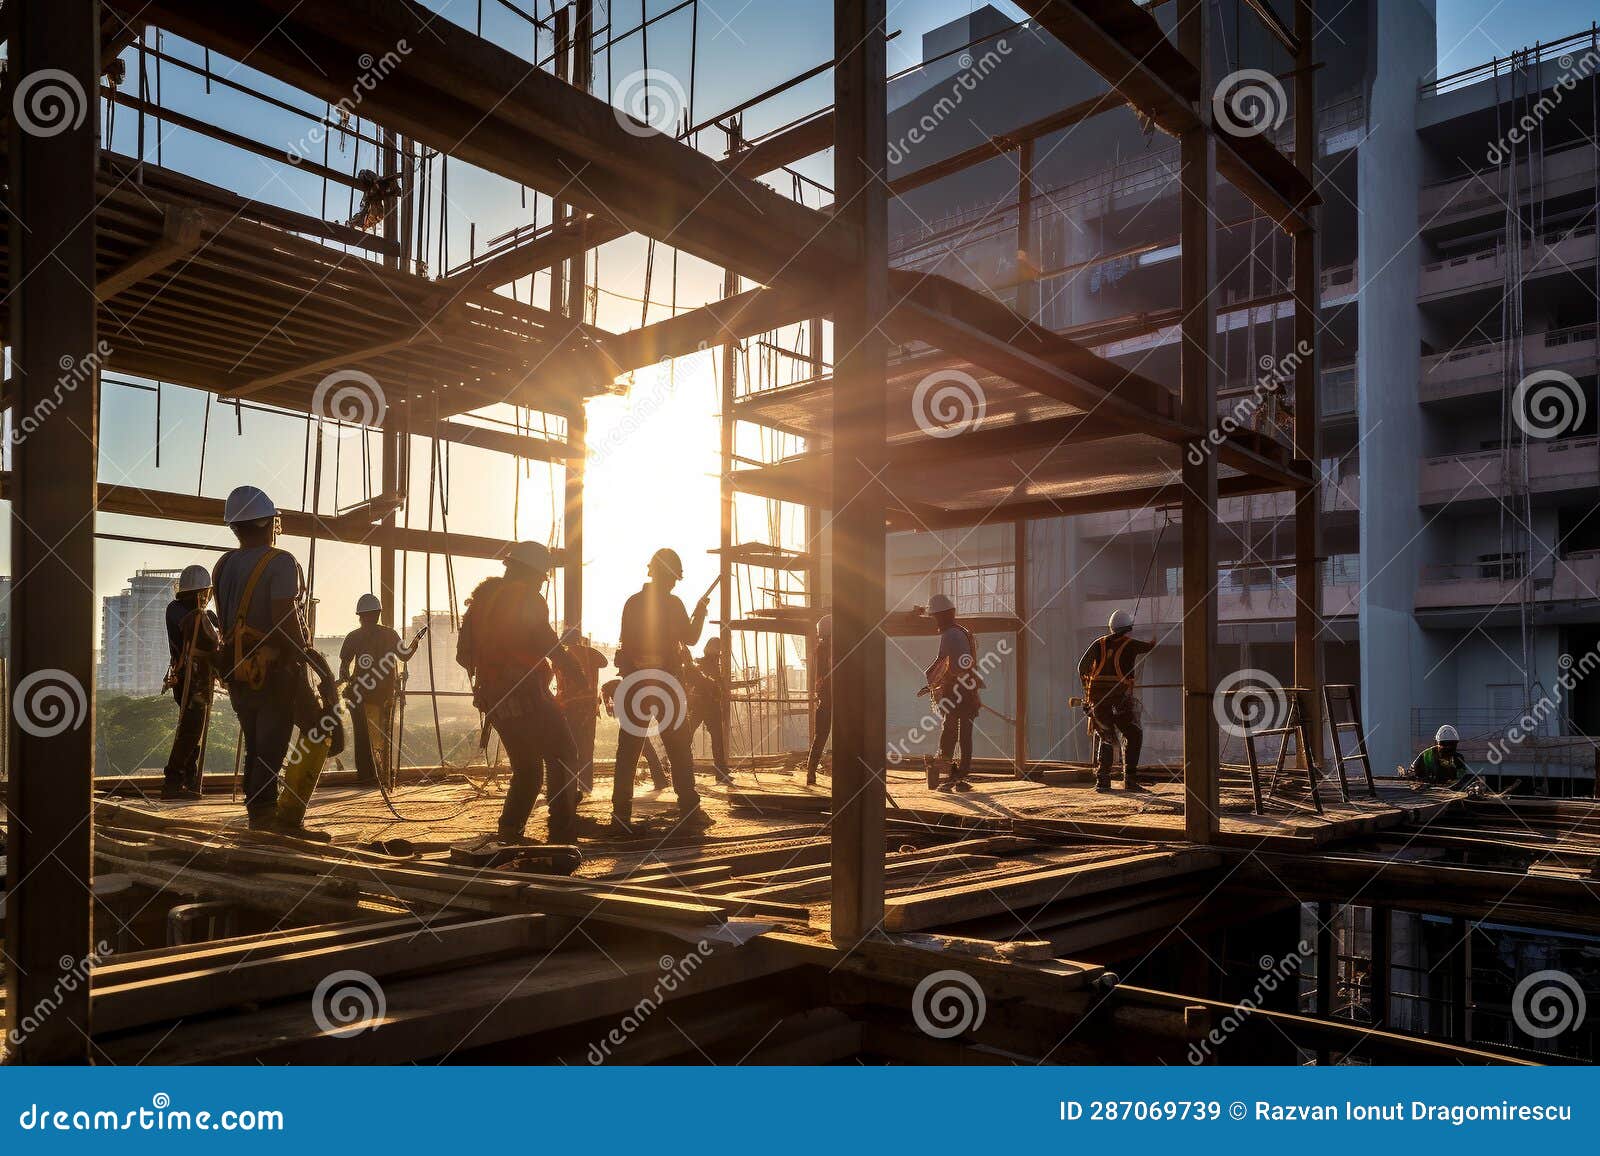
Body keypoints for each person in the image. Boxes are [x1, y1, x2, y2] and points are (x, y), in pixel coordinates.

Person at [457, 541, 579, 846]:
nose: (541, 583)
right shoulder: (528, 599)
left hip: (493, 698)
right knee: (564, 753)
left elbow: (463, 656)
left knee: (527, 769)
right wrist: (574, 669)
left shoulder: (478, 605)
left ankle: (510, 831)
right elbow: (547, 642)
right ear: (531, 573)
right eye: (541, 577)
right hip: (526, 693)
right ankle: (562, 830)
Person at [211, 485, 315, 831]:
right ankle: (266, 815)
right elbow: (285, 616)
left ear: (235, 527)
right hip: (272, 669)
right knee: (272, 743)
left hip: (236, 668)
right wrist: (305, 657)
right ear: (271, 523)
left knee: (256, 742)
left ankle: (258, 811)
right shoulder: (281, 561)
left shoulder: (223, 565)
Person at [610, 547, 714, 833]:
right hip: (666, 682)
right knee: (679, 748)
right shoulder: (673, 604)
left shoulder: (633, 603)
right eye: (673, 578)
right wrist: (700, 614)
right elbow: (691, 638)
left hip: (635, 683)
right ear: (669, 576)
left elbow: (627, 645)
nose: (672, 583)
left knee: (627, 751)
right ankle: (690, 809)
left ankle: (620, 815)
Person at [338, 593, 421, 790]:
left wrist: (347, 680)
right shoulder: (389, 634)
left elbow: (343, 667)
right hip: (383, 694)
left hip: (359, 694)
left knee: (362, 737)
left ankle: (367, 778)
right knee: (384, 736)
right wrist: (416, 640)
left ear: (360, 615)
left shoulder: (354, 636)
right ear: (377, 614)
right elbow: (406, 655)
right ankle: (383, 775)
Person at [161, 564, 221, 800]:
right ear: (199, 593)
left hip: (203, 679)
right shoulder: (175, 610)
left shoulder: (208, 614)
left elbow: (218, 634)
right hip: (186, 678)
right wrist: (203, 615)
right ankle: (173, 781)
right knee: (189, 731)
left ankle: (189, 778)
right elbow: (196, 629)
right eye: (205, 593)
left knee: (194, 730)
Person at [1079, 609, 1155, 793]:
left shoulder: (1098, 644)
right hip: (1119, 701)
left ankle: (1102, 781)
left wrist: (1088, 693)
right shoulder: (1130, 644)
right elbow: (1149, 646)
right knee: (1133, 734)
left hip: (1096, 701)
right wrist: (1154, 634)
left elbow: (1082, 667)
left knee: (1106, 735)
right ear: (1128, 628)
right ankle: (1129, 780)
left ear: (1111, 627)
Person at [922, 594, 984, 792]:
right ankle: (961, 775)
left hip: (957, 691)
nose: (934, 620)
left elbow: (945, 663)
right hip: (968, 689)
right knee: (965, 734)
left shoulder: (950, 635)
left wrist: (931, 678)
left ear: (941, 616)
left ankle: (949, 776)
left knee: (950, 732)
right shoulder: (962, 632)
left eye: (935, 617)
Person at [558, 633, 608, 796]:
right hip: (588, 707)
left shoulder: (561, 656)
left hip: (569, 706)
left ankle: (569, 785)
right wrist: (586, 647)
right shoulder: (590, 653)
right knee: (587, 747)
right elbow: (604, 662)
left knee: (570, 747)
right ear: (579, 639)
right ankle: (586, 785)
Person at [602, 675, 668, 788]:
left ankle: (658, 780)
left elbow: (619, 714)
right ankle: (660, 780)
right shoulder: (626, 691)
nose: (609, 700)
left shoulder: (619, 694)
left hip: (633, 727)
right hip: (636, 724)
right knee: (648, 751)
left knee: (644, 752)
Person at [686, 636, 733, 785]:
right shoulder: (704, 664)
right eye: (718, 650)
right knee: (710, 739)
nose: (720, 653)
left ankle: (685, 769)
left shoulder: (708, 664)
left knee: (690, 736)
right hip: (703, 704)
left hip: (705, 705)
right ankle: (719, 773)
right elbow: (706, 684)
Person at [805, 615, 832, 787]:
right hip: (833, 699)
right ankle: (811, 772)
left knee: (820, 737)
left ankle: (811, 772)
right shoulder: (828, 650)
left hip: (825, 700)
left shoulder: (819, 650)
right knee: (825, 736)